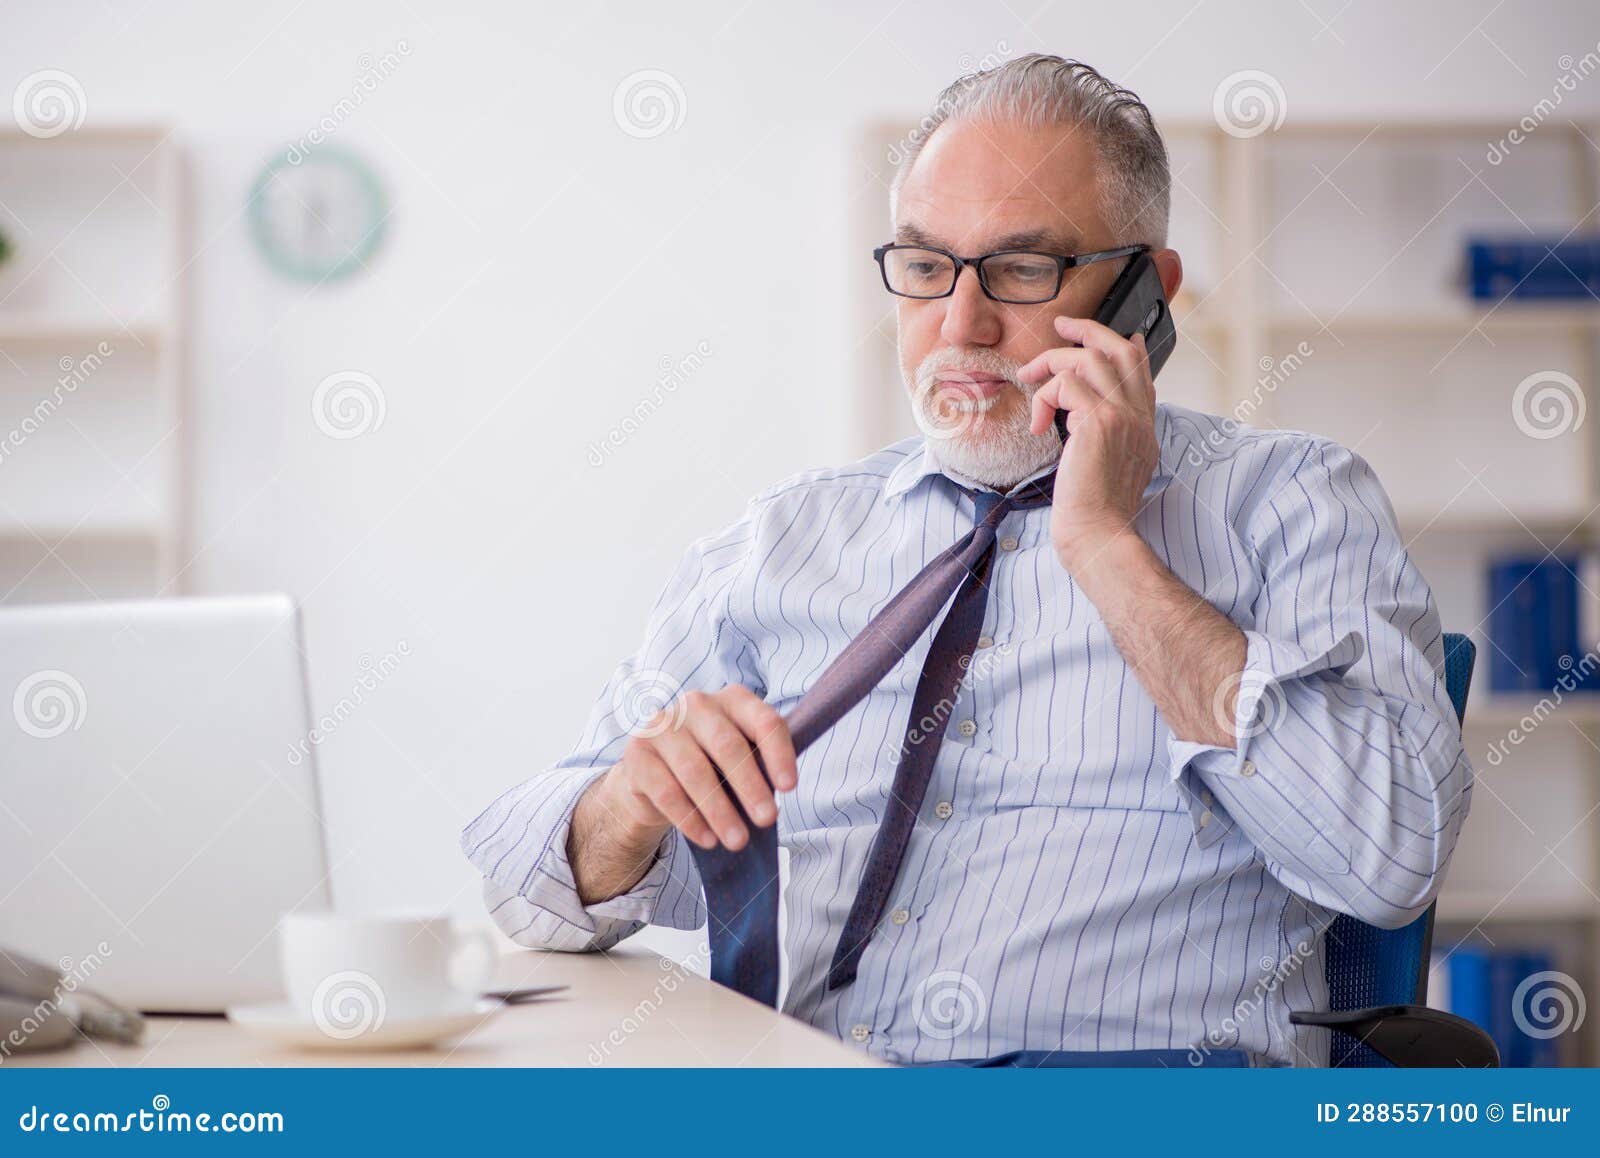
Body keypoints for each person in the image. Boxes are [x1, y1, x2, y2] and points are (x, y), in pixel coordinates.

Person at [461, 54, 1471, 1066]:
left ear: (1146, 297)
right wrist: (635, 800)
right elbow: (523, 891)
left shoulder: (1291, 502)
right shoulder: (780, 542)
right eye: (924, 265)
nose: (960, 324)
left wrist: (1104, 545)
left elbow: (1385, 858)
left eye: (1022, 268)